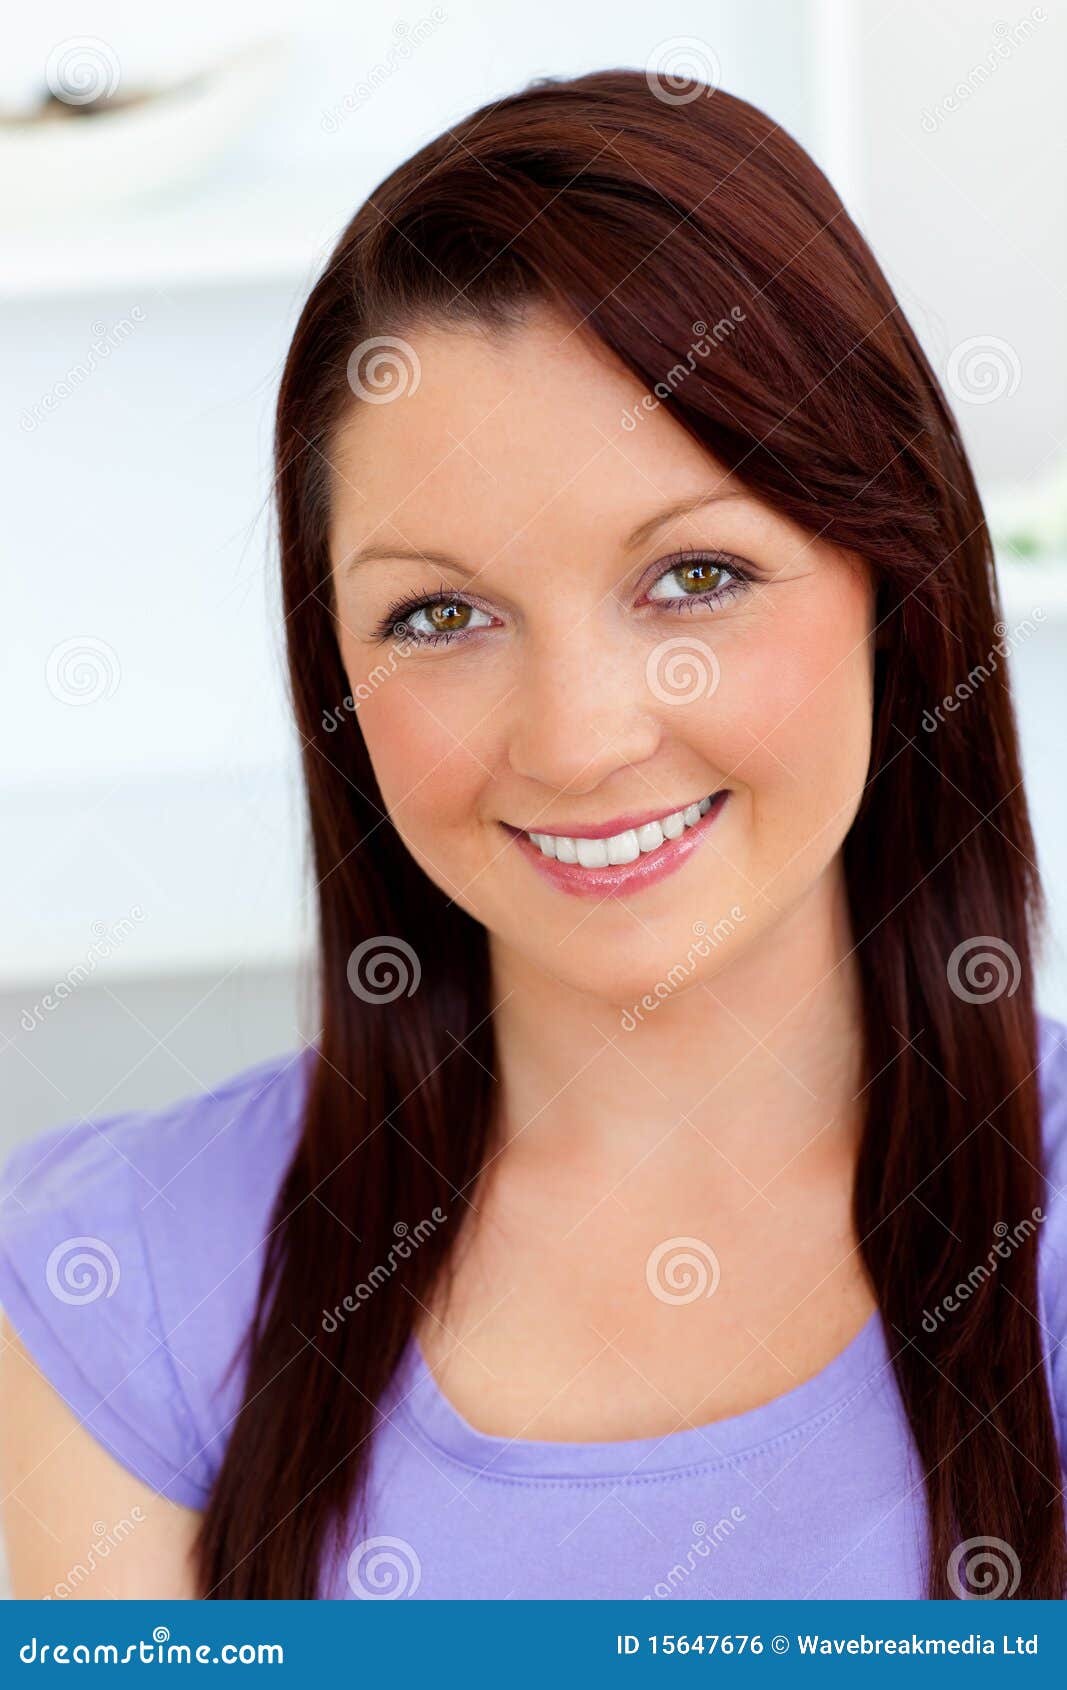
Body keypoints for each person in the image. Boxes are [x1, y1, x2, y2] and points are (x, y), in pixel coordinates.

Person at [2, 68, 1065, 1602]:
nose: (577, 738)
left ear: (896, 592)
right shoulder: (120, 1284)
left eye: (694, 577)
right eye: (441, 613)